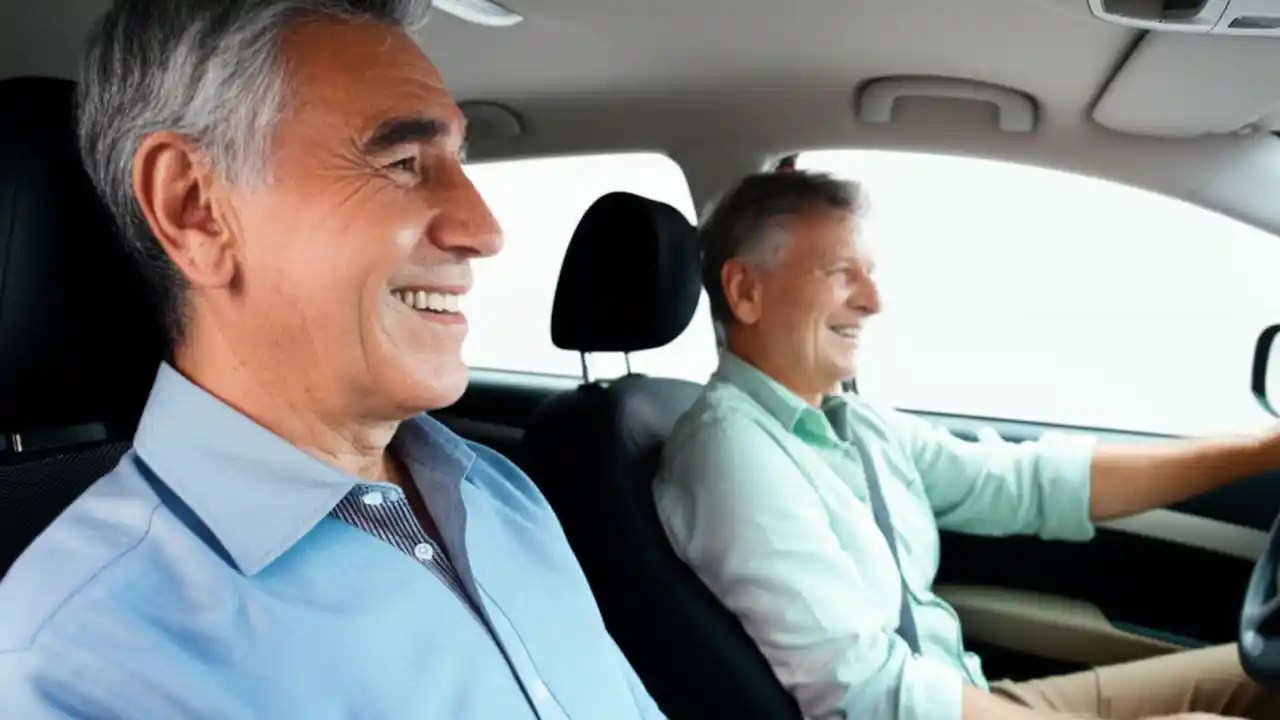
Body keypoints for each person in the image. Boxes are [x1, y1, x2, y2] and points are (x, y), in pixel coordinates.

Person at [0, 1, 664, 718]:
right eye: (402, 162)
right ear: (197, 210)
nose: (483, 229)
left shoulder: (501, 495)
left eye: (459, 162)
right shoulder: (81, 664)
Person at [653, 170, 1280, 720]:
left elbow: (1026, 484)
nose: (873, 302)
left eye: (870, 275)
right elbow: (872, 695)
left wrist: (1262, 452)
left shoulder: (853, 424)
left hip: (970, 696)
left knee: (1258, 676)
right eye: (842, 274)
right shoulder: (732, 455)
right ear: (746, 292)